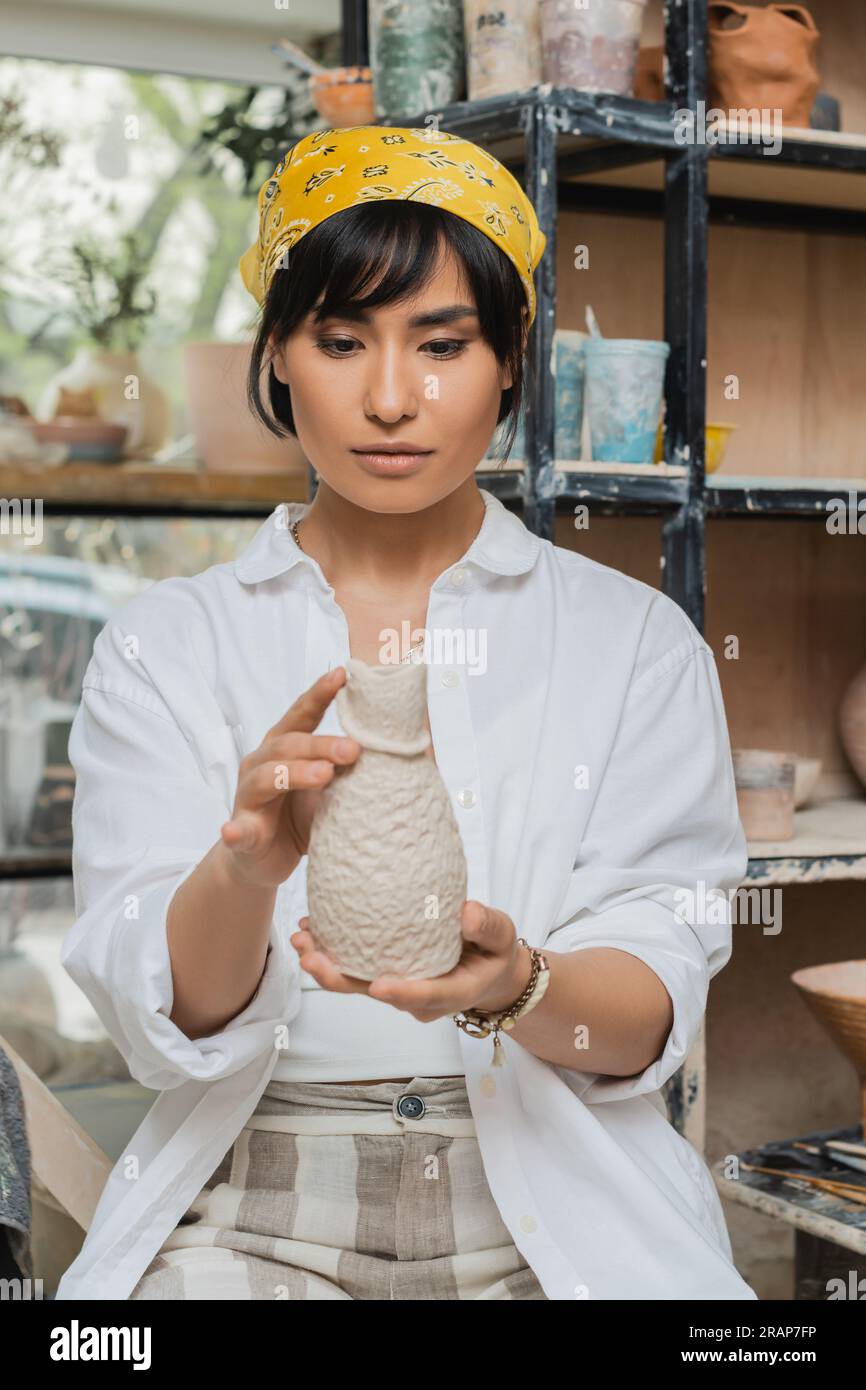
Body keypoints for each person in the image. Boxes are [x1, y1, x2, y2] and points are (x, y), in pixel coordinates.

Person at [56, 125, 757, 1301]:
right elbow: (153, 1023)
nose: (390, 398)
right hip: (250, 1193)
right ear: (278, 352)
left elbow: (644, 1017)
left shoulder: (635, 645)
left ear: (509, 358)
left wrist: (519, 985)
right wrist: (242, 867)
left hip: (555, 1188)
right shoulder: (167, 645)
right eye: (340, 341)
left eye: (442, 343)